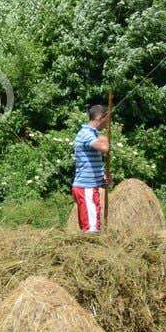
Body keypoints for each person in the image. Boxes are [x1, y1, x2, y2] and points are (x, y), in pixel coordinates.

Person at [72, 100, 111, 233]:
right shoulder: (87, 134)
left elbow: (90, 160)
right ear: (100, 118)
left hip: (89, 186)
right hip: (86, 187)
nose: (107, 124)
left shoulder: (92, 134)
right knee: (91, 229)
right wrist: (105, 139)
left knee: (91, 224)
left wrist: (102, 175)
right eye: (106, 120)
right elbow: (104, 148)